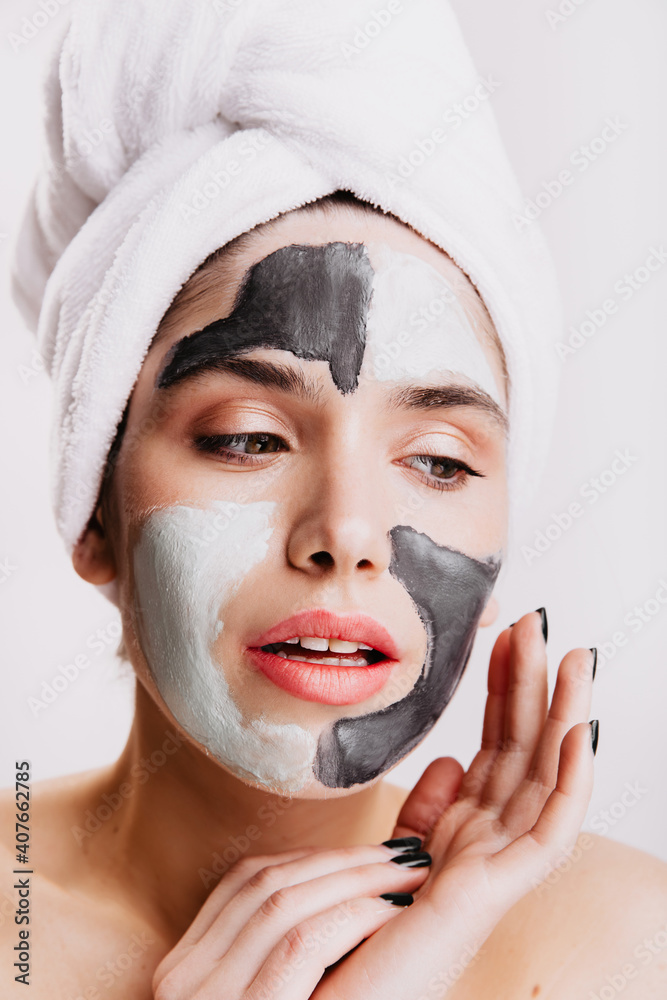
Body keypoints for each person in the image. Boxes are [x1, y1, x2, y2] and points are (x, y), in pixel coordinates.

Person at [3, 2, 667, 998]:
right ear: (93, 515)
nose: (349, 533)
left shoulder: (627, 949)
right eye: (248, 440)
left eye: (440, 461)